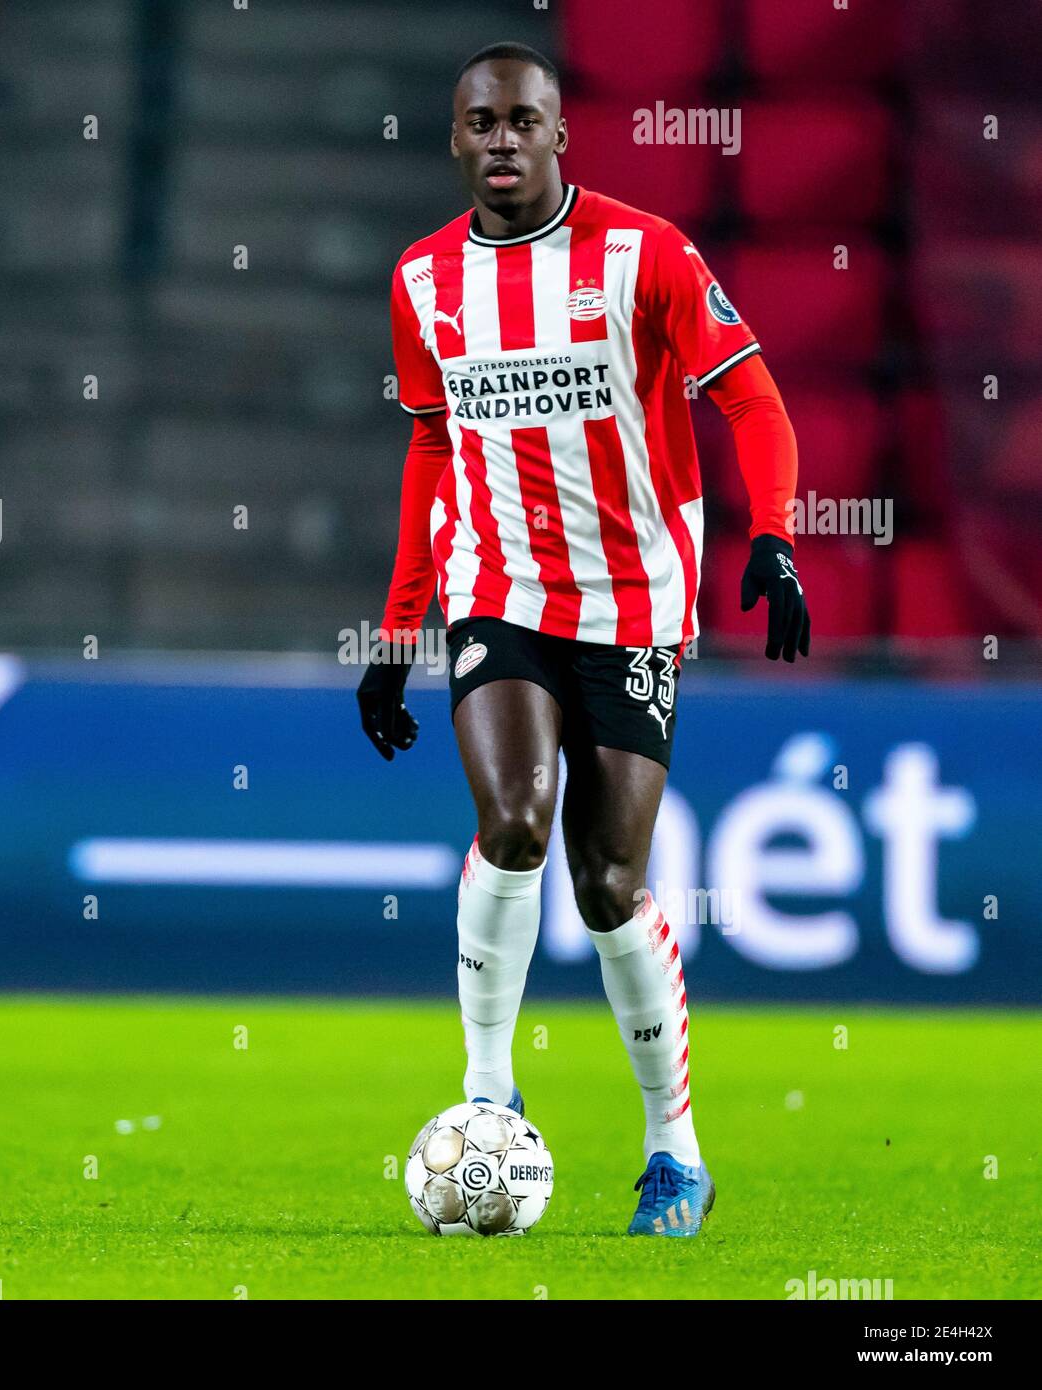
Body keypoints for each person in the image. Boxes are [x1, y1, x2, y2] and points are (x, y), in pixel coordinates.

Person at [357, 42, 809, 1236]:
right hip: (495, 588)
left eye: (524, 120)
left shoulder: (644, 254)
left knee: (608, 886)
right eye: (480, 122)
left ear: (562, 136)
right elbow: (430, 447)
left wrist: (773, 536)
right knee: (511, 821)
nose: (502, 140)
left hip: (633, 601)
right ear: (454, 139)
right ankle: (487, 1089)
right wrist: (398, 626)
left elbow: (750, 397)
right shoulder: (420, 281)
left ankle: (675, 1147)